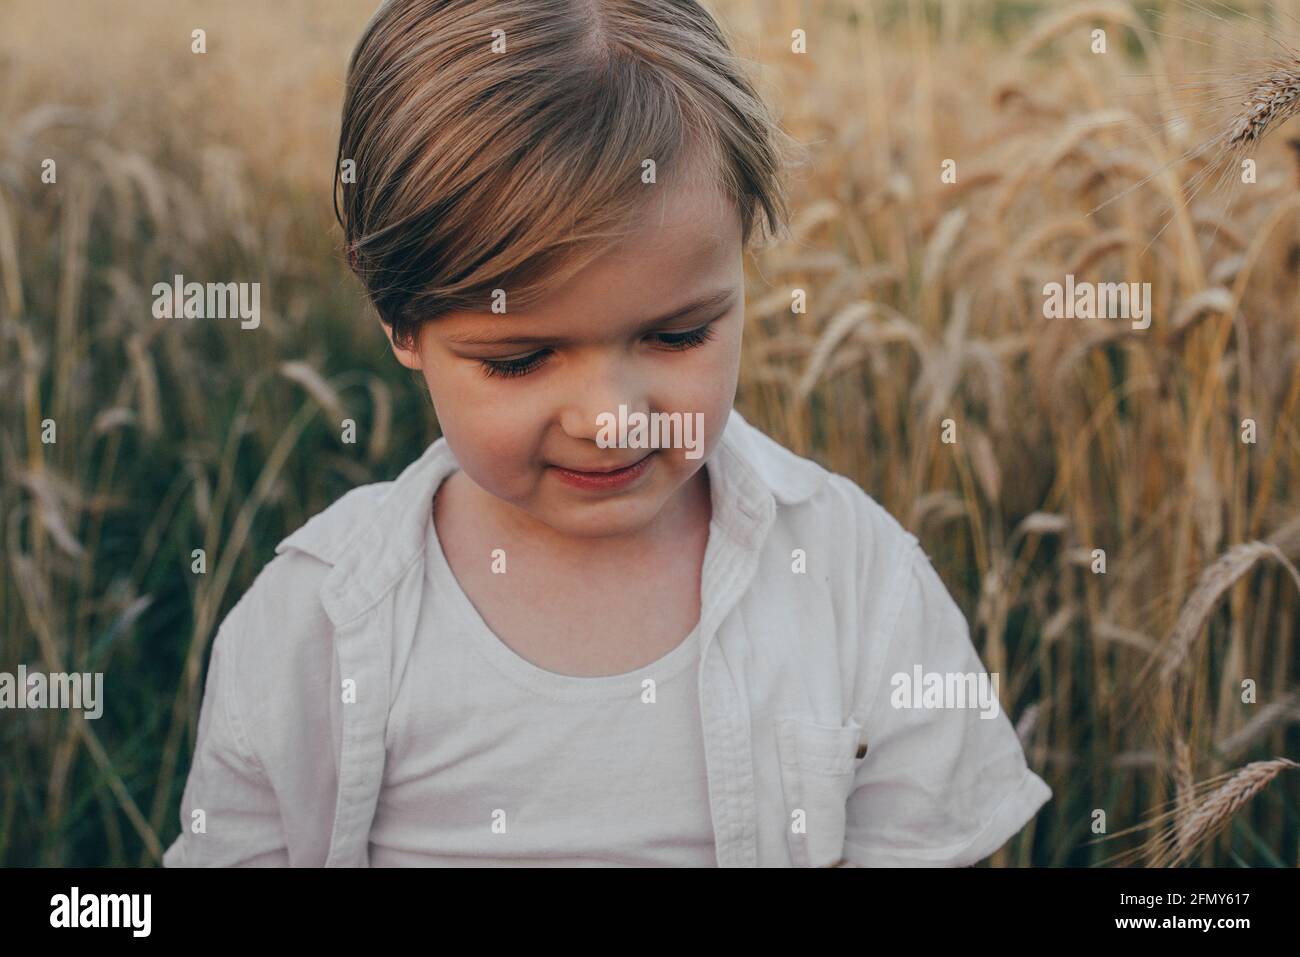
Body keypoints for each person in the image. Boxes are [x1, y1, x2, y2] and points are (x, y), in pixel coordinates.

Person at [164, 0, 1050, 867]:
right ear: (399, 322)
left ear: (742, 251)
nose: (612, 418)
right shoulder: (308, 627)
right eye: (521, 358)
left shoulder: (861, 583)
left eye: (676, 335)